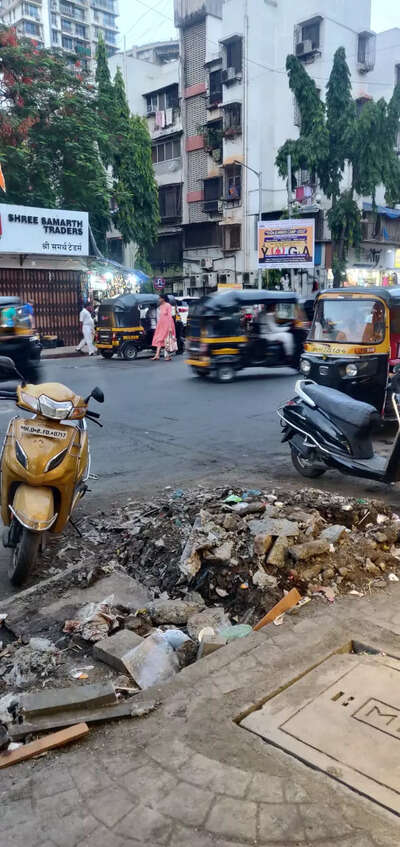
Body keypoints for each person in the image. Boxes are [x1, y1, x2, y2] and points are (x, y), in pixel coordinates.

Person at [151, 294, 176, 361]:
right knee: (159, 338)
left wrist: (170, 327)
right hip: (161, 324)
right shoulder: (161, 306)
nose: (159, 299)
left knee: (167, 339)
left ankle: (166, 356)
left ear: (163, 299)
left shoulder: (168, 305)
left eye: (160, 298)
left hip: (167, 323)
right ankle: (157, 355)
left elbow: (169, 316)